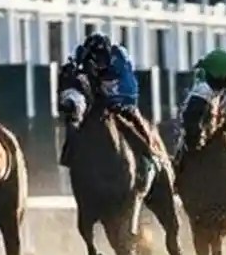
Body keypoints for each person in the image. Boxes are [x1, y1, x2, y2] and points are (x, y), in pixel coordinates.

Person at [68, 31, 168, 175]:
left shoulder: (120, 58)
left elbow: (129, 87)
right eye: (93, 58)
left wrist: (117, 102)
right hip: (96, 100)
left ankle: (150, 153)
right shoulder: (81, 55)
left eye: (100, 58)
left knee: (134, 120)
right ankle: (70, 156)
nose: (97, 63)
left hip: (122, 100)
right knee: (75, 122)